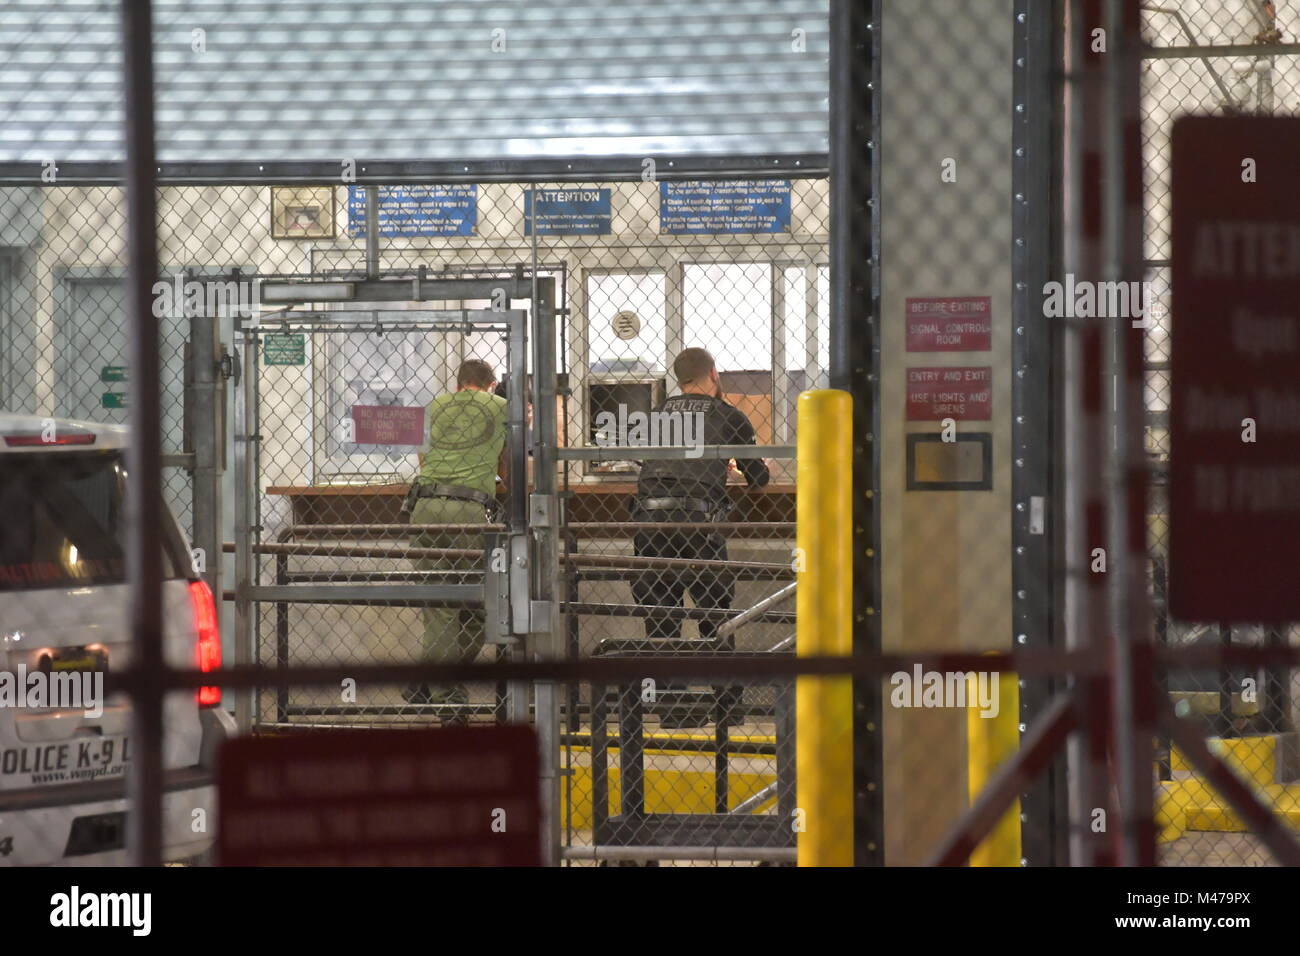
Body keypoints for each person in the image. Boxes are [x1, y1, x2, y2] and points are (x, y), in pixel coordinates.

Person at [631, 348, 770, 645]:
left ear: (679, 381)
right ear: (713, 374)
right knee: (715, 619)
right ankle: (723, 689)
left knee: (661, 621)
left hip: (650, 522)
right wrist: (732, 467)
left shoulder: (654, 415)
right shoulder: (729, 415)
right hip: (700, 524)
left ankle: (663, 689)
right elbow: (758, 479)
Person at [403, 359, 507, 718]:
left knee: (440, 607)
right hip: (471, 511)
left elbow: (422, 460)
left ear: (459, 383)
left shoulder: (432, 407)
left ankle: (429, 682)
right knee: (481, 605)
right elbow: (507, 465)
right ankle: (445, 695)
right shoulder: (501, 408)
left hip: (426, 507)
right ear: (491, 384)